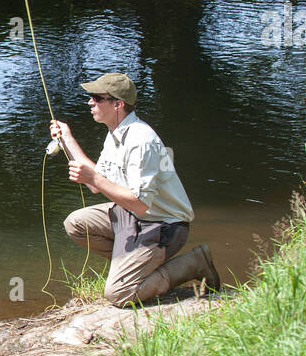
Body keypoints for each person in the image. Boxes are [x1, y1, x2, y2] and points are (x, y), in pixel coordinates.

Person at [49, 72, 220, 306]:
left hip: (164, 225)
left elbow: (139, 202)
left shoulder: (141, 140)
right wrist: (66, 139)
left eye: (97, 98)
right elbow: (95, 183)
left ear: (118, 104)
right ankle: (134, 268)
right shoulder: (115, 134)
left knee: (118, 295)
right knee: (75, 224)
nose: (90, 102)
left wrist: (94, 179)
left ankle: (193, 263)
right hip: (132, 215)